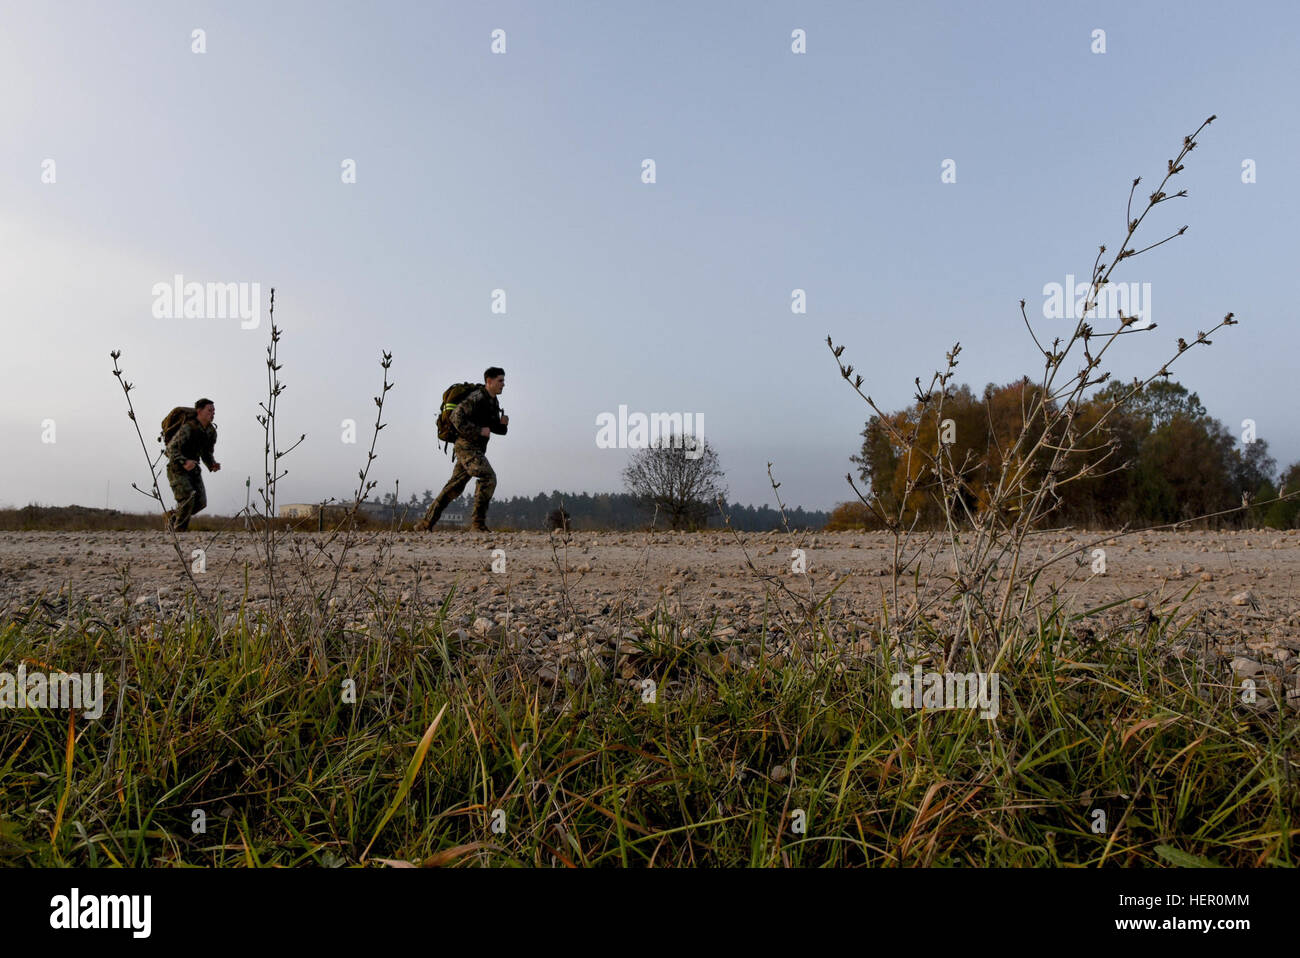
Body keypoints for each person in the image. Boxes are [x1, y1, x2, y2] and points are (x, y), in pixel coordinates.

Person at [418, 368, 508, 532]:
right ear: (489, 381)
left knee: (453, 487)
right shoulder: (477, 397)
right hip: (466, 446)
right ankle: (477, 524)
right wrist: (479, 431)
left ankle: (425, 524)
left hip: (476, 449)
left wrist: (502, 424)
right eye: (500, 380)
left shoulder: (493, 402)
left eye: (503, 380)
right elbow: (455, 417)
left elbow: (494, 428)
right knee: (488, 477)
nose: (503, 384)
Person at [165, 398, 220, 531]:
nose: (212, 413)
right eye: (209, 410)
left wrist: (212, 464)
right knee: (188, 499)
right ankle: (179, 532)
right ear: (199, 411)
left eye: (214, 411)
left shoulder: (211, 432)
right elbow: (170, 449)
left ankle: (173, 518)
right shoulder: (188, 427)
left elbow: (206, 452)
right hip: (177, 468)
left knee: (200, 502)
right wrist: (184, 462)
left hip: (194, 468)